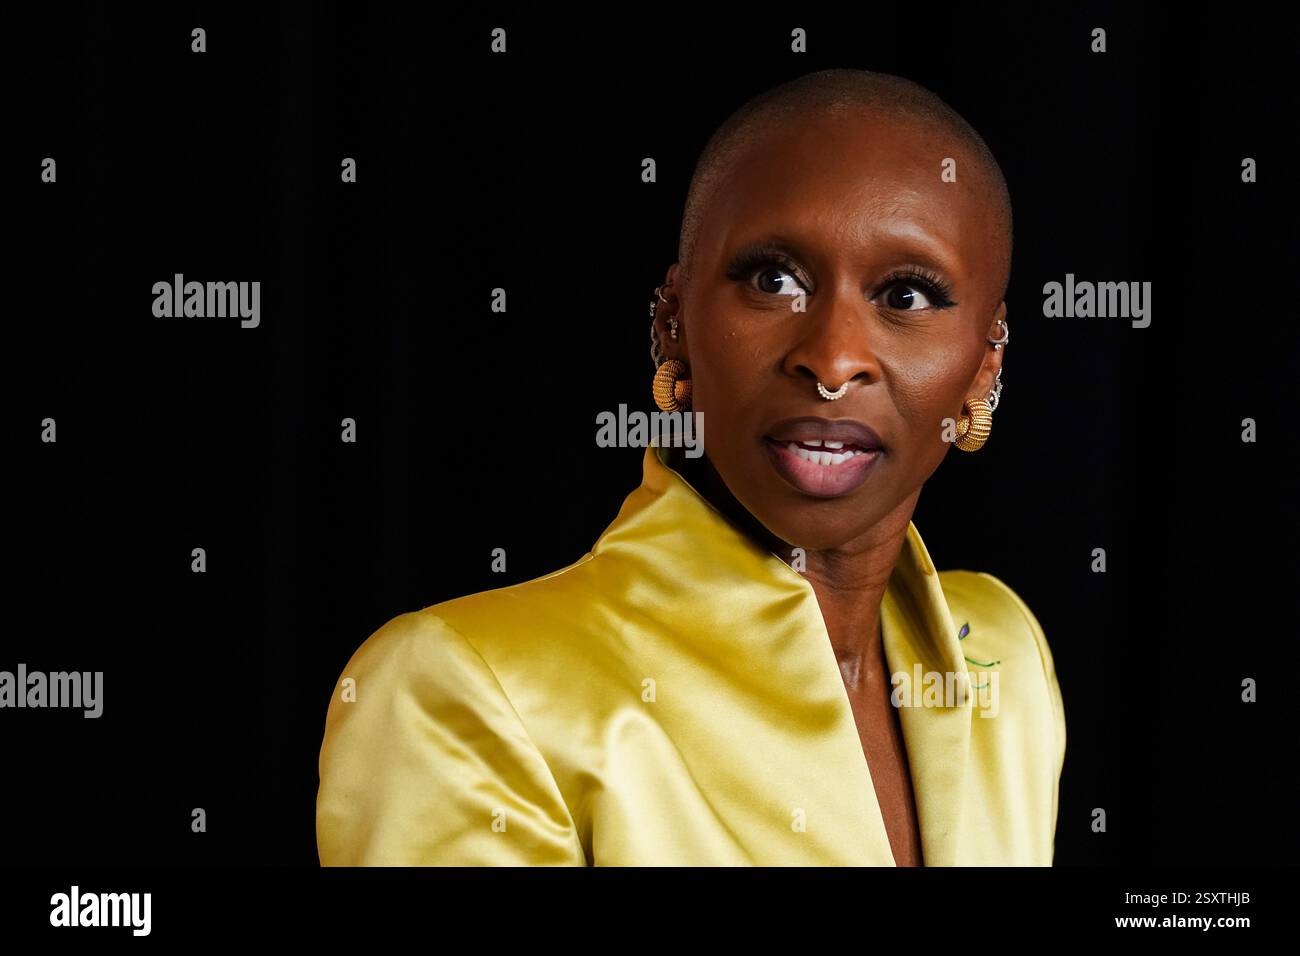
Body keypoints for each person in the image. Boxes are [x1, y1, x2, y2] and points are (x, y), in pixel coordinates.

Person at [316, 68, 1065, 866]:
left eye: (907, 296)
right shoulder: (463, 691)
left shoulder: (1001, 659)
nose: (833, 360)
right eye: (774, 280)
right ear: (673, 326)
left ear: (986, 364)